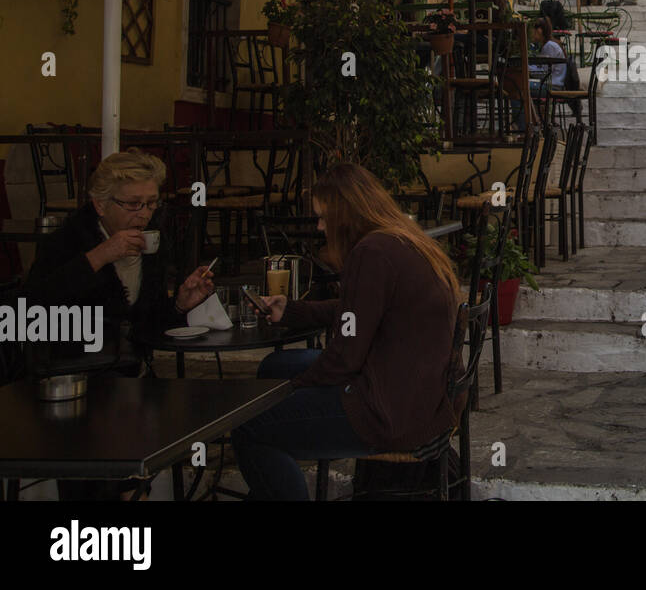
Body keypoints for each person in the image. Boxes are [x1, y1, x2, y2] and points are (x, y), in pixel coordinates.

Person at [232, 163, 463, 501]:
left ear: (345, 217)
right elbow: (359, 310)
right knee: (273, 368)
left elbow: (344, 359)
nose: (320, 226)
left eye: (324, 217)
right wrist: (292, 310)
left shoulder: (371, 253)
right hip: (415, 390)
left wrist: (296, 391)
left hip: (390, 410)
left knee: (249, 426)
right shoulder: (400, 240)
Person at [24, 149, 216, 499]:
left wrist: (180, 303)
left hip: (127, 377)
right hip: (73, 378)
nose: (143, 215)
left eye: (151, 203)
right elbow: (35, 306)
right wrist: (100, 257)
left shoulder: (153, 241)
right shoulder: (67, 242)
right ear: (100, 205)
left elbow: (148, 320)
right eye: (132, 205)